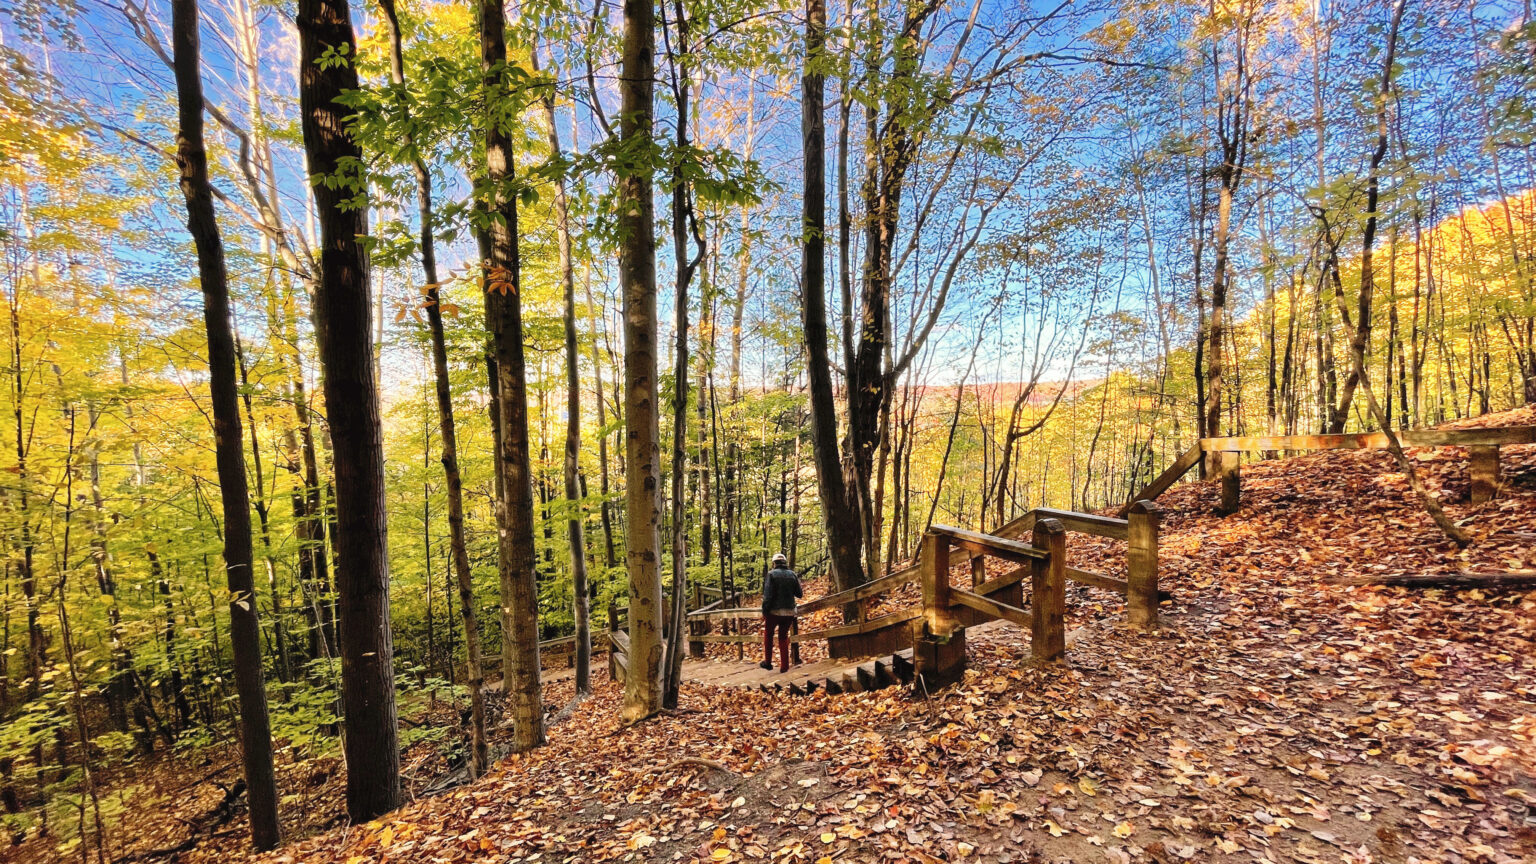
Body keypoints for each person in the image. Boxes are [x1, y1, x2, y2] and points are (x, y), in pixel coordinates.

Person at [759, 553, 802, 672]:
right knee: (783, 637)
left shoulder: (771, 574)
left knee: (768, 635)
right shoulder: (793, 574)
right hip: (789, 612)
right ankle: (784, 666)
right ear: (785, 563)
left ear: (774, 563)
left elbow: (767, 596)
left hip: (774, 612)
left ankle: (768, 662)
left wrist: (764, 611)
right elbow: (799, 594)